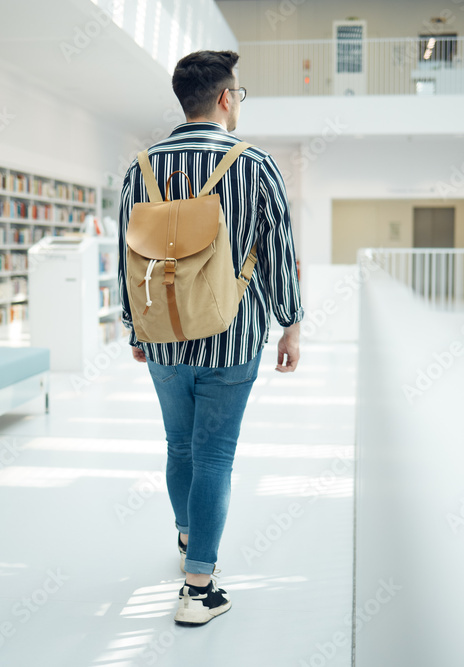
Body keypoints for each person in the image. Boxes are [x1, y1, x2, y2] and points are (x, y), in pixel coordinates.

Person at [117, 50, 304, 626]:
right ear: (226, 98)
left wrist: (133, 324)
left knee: (179, 445)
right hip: (233, 335)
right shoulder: (255, 165)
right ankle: (199, 590)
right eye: (239, 94)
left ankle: (186, 536)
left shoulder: (141, 167)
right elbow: (278, 253)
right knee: (214, 454)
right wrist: (290, 323)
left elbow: (123, 257)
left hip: (163, 337)